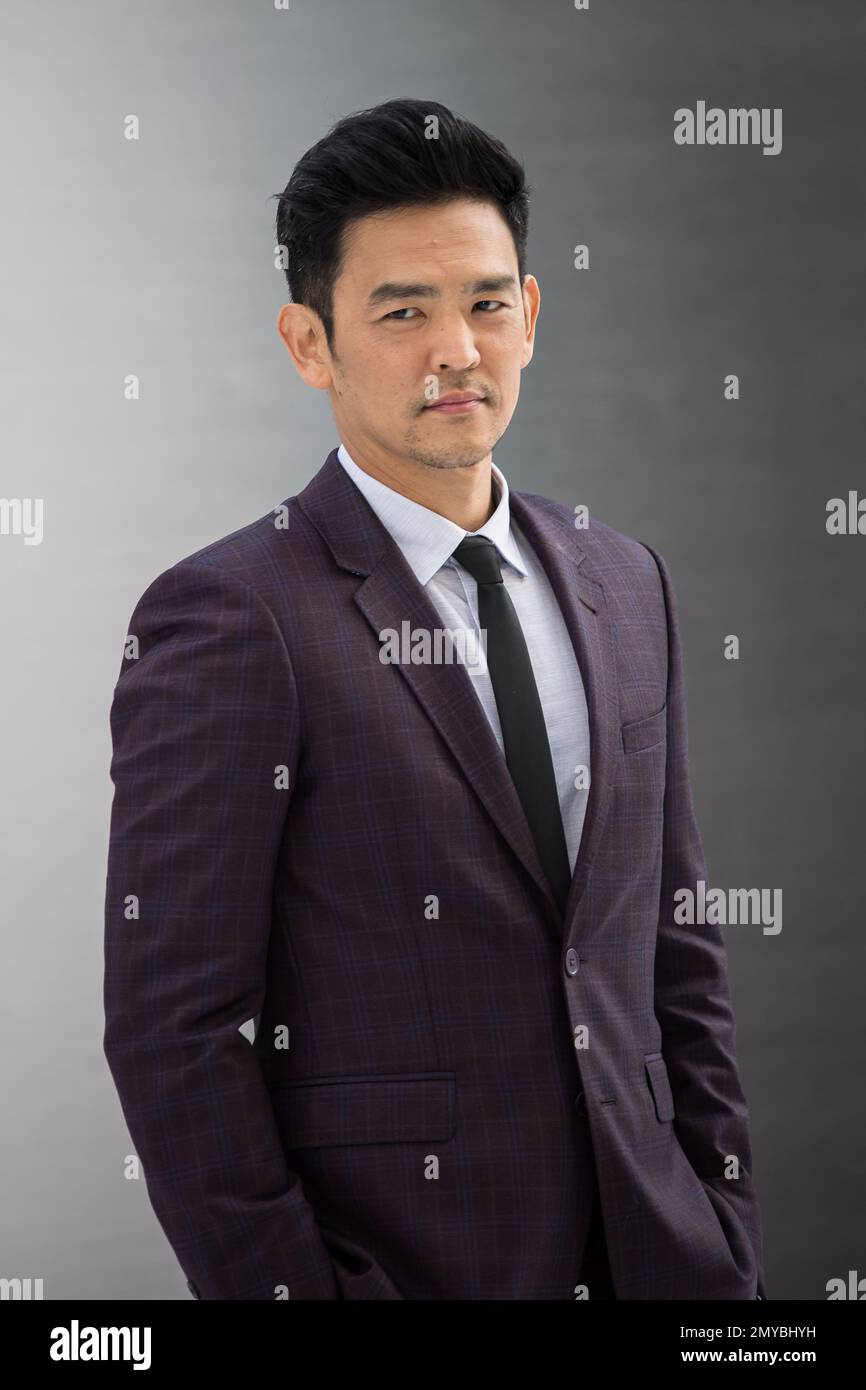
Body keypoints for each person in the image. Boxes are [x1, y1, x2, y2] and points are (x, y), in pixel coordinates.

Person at [103, 97, 766, 1300]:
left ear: (530, 314)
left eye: (486, 302)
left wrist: (722, 1226)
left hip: (665, 1264)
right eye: (401, 311)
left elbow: (672, 943)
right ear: (309, 343)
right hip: (411, 1267)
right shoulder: (232, 616)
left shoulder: (626, 579)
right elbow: (172, 1034)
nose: (455, 348)